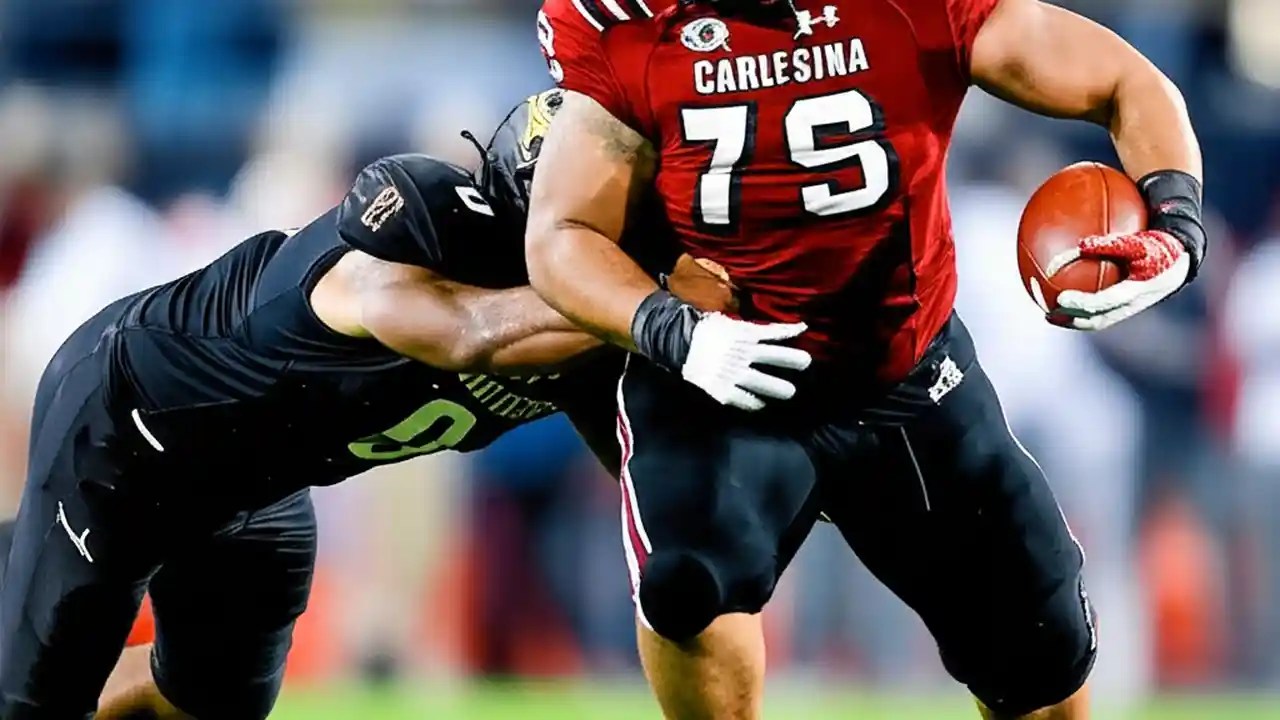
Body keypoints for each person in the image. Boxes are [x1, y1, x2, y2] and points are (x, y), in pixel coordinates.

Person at [525, 1, 1207, 718]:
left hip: (904, 372)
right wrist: (674, 330)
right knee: (687, 585)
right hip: (722, 369)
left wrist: (1177, 222)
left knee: (1039, 661)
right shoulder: (632, 19)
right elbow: (562, 232)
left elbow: (1126, 81)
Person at [0, 89, 735, 720]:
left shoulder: (594, 335)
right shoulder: (429, 218)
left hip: (256, 492)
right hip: (131, 428)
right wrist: (649, 312)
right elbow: (459, 332)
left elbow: (642, 472)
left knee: (198, 704)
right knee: (36, 706)